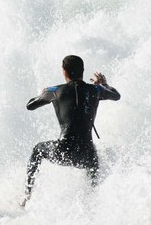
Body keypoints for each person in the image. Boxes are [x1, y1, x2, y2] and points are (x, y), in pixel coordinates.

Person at [21, 54, 120, 205]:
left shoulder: (54, 90)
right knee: (93, 161)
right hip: (87, 155)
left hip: (64, 151)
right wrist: (104, 84)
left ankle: (26, 197)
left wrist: (43, 94)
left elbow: (30, 105)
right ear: (83, 71)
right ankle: (92, 204)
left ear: (64, 71)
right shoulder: (96, 89)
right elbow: (116, 96)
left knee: (37, 150)